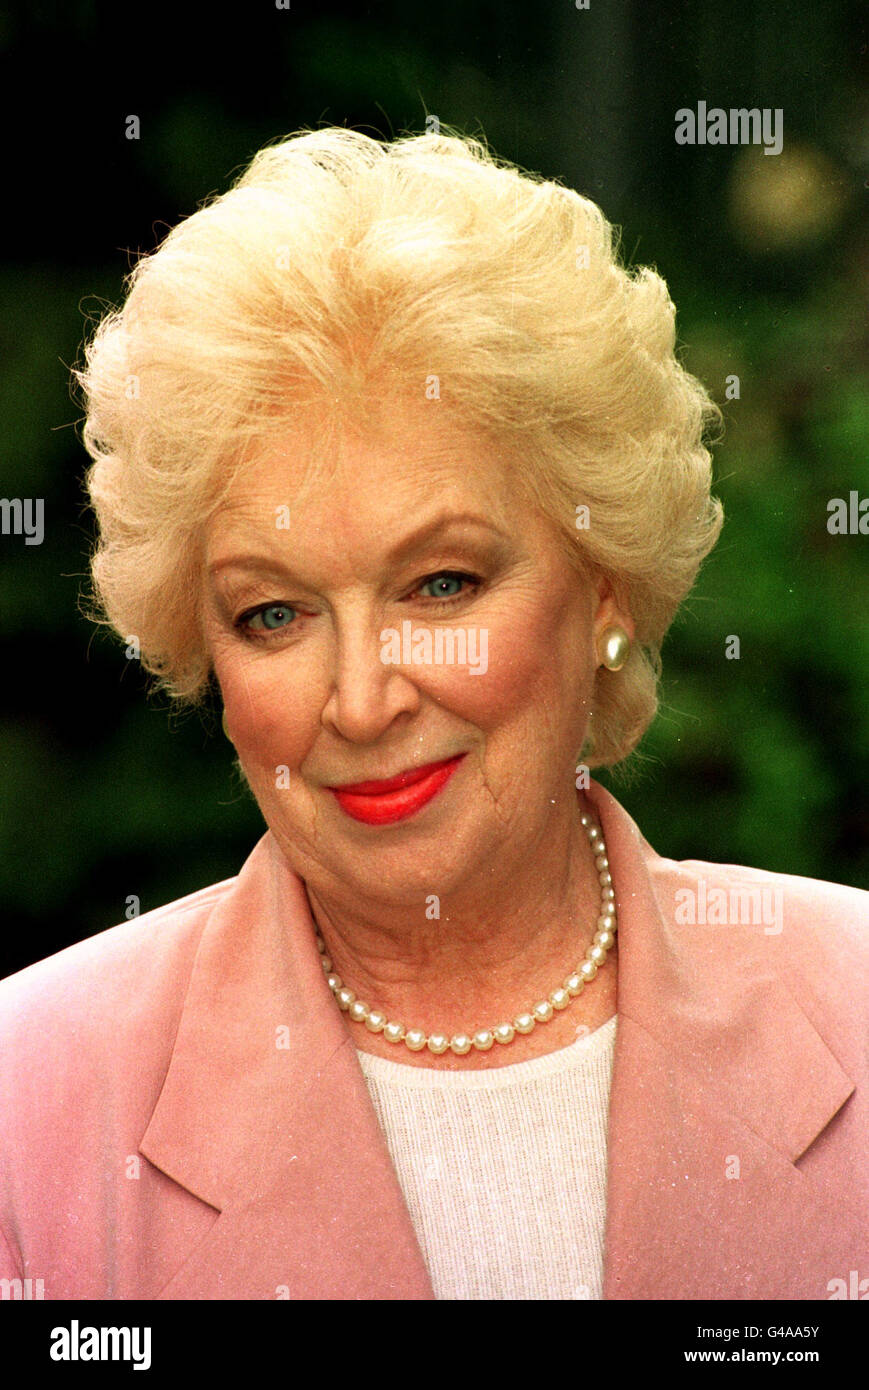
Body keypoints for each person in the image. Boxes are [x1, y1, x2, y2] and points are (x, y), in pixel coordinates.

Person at [0, 128, 865, 1301]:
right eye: (273, 614)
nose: (360, 700)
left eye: (440, 585)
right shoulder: (30, 1096)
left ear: (602, 586)